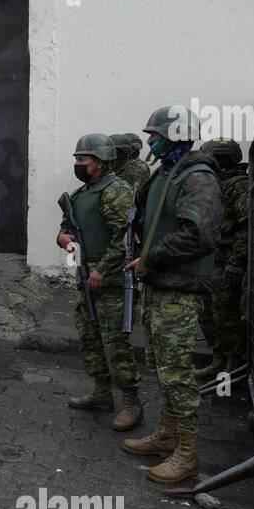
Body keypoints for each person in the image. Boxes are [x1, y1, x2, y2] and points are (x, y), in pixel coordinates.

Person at [120, 106, 223, 484]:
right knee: (162, 368)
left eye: (156, 134)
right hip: (159, 287)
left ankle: (187, 454)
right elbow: (148, 219)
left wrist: (150, 258)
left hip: (178, 290)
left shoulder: (198, 178)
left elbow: (199, 235)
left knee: (178, 374)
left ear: (176, 136)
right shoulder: (167, 173)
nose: (149, 140)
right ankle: (167, 434)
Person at [58, 135, 144, 431]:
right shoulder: (83, 193)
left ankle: (132, 403)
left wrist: (103, 270)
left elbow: (125, 239)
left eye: (83, 160)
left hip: (111, 282)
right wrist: (62, 237)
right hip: (88, 277)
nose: (78, 165)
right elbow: (68, 226)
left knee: (115, 344)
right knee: (90, 337)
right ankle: (101, 392)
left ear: (100, 162)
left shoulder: (115, 190)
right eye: (77, 160)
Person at [193, 139, 249, 380]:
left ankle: (233, 365)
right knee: (206, 314)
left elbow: (247, 227)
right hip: (209, 261)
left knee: (225, 316)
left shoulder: (238, 186)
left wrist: (236, 262)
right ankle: (218, 359)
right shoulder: (215, 184)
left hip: (226, 263)